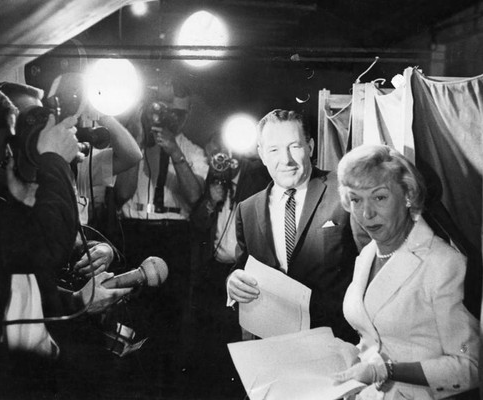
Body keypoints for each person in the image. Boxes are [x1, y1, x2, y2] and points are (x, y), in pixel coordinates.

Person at [0, 85, 131, 399]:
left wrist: (100, 252)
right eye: (28, 121)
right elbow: (44, 251)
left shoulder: (19, 187)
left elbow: (23, 282)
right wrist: (53, 158)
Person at [332, 144, 479, 399]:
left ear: (408, 195)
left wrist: (386, 371)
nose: (366, 213)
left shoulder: (443, 263)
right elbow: (376, 337)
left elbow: (471, 367)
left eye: (379, 197)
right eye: (356, 199)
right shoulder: (367, 255)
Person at [226, 109, 358, 342]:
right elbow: (243, 268)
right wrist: (233, 282)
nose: (285, 159)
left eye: (294, 146)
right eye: (274, 150)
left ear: (311, 147)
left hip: (336, 342)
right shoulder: (247, 210)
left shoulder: (344, 191)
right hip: (274, 347)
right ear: (262, 154)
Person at [114, 76, 208, 390]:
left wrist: (175, 152)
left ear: (188, 114)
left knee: (171, 318)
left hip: (174, 236)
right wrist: (136, 142)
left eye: (179, 114)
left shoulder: (192, 151)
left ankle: (165, 386)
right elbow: (121, 194)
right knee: (129, 313)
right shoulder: (130, 146)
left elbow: (195, 198)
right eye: (165, 111)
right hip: (135, 231)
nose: (171, 119)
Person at [0, 81, 142, 280]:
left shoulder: (69, 168)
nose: (37, 128)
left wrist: (102, 249)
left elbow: (131, 155)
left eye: (40, 117)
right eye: (27, 121)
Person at [189, 134, 271, 397]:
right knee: (212, 343)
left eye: (225, 153)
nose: (221, 159)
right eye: (215, 153)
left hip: (243, 271)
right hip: (213, 271)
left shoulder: (256, 178)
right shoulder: (213, 179)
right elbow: (198, 223)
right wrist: (211, 200)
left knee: (241, 342)